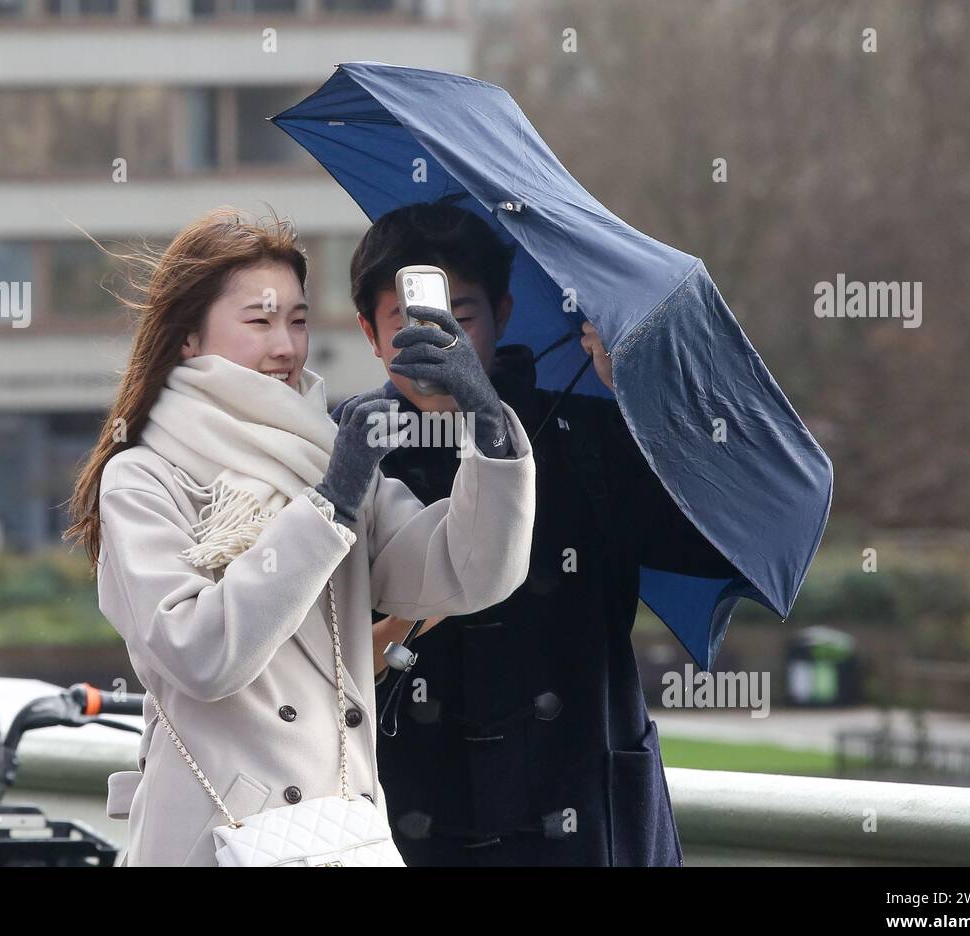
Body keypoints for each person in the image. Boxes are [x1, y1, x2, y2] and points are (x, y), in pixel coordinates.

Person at [64, 207, 536, 866]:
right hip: (214, 843)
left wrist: (484, 420)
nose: (286, 347)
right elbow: (202, 655)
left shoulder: (322, 454)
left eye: (298, 319)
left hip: (334, 842)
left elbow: (468, 574)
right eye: (259, 321)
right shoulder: (142, 477)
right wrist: (331, 502)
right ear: (188, 339)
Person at [339, 200, 738, 866]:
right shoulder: (347, 448)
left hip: (583, 809)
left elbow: (716, 538)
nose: (436, 344)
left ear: (502, 313)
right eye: (408, 324)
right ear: (369, 333)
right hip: (403, 813)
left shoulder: (589, 434)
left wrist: (648, 402)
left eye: (459, 320)